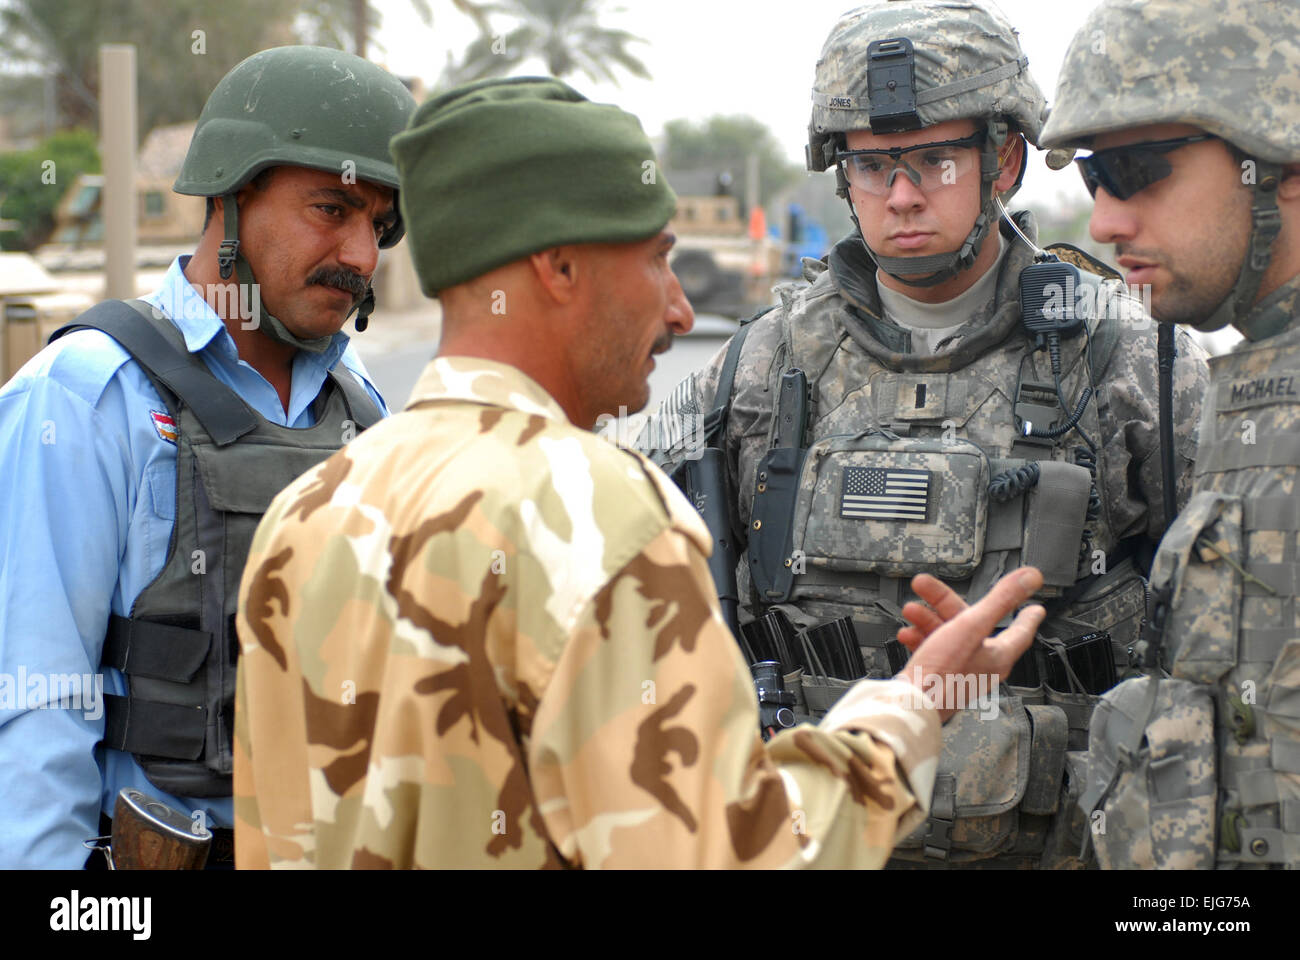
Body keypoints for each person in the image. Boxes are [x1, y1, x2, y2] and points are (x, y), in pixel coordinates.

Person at [231, 76, 1048, 869]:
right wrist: (912, 711)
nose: (681, 311)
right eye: (657, 261)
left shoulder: (310, 508)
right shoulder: (599, 515)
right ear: (558, 269)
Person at [636, 0, 1210, 868]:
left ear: (1003, 159)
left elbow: (1220, 636)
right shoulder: (758, 362)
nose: (901, 195)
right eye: (873, 166)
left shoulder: (1136, 355)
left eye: (936, 159)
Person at [0, 45, 414, 868]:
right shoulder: (86, 395)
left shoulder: (363, 409)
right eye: (331, 209)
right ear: (231, 195)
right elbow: (34, 706)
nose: (362, 256)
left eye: (380, 223)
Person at [1040, 0, 1300, 870]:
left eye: (1138, 169)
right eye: (1093, 180)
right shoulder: (1248, 385)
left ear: (1279, 162)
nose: (1106, 223)